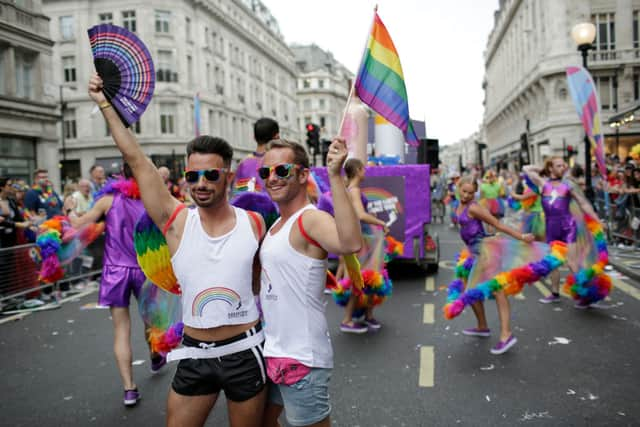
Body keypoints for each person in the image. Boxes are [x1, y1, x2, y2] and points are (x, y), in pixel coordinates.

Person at [89, 73, 267, 426]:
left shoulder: (254, 223)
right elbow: (136, 158)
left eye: (211, 176)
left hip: (245, 352)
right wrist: (105, 105)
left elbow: (260, 281)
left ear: (228, 177)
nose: (201, 184)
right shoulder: (176, 220)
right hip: (194, 354)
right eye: (193, 176)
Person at [259, 139, 361, 427]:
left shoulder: (310, 220)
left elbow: (350, 242)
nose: (273, 177)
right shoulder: (276, 226)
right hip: (274, 352)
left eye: (282, 170)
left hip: (301, 359)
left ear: (303, 175)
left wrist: (334, 176)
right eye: (265, 172)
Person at [65, 164, 162, 406]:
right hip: (145, 269)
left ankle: (129, 389)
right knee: (151, 320)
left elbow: (78, 224)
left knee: (121, 329)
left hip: (115, 271)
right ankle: (155, 352)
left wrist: (69, 211)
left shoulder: (107, 200)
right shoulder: (153, 198)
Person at [452, 176, 534, 355]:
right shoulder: (457, 206)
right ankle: (482, 326)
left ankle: (506, 334)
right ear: (458, 188)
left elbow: (497, 224)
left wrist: (521, 237)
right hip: (473, 252)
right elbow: (465, 230)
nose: (466, 195)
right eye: (464, 191)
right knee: (470, 291)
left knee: (497, 290)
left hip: (485, 251)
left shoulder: (474, 207)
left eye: (471, 193)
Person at [524, 157, 602, 308]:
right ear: (551, 168)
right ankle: (554, 293)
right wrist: (543, 168)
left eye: (563, 166)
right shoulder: (542, 183)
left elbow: (584, 203)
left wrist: (596, 219)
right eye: (558, 166)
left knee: (572, 262)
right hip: (551, 227)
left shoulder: (568, 185)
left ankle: (584, 295)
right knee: (553, 262)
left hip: (568, 226)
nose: (563, 168)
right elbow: (526, 168)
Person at [338, 158, 389, 334]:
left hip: (365, 238)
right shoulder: (354, 190)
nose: (365, 172)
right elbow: (360, 215)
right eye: (364, 169)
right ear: (358, 170)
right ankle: (347, 319)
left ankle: (368, 315)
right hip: (362, 241)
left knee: (370, 279)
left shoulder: (351, 190)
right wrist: (380, 222)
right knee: (360, 280)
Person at [232, 118, 279, 197]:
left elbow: (240, 195)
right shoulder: (280, 162)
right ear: (277, 137)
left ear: (254, 137)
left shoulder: (244, 164)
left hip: (250, 208)